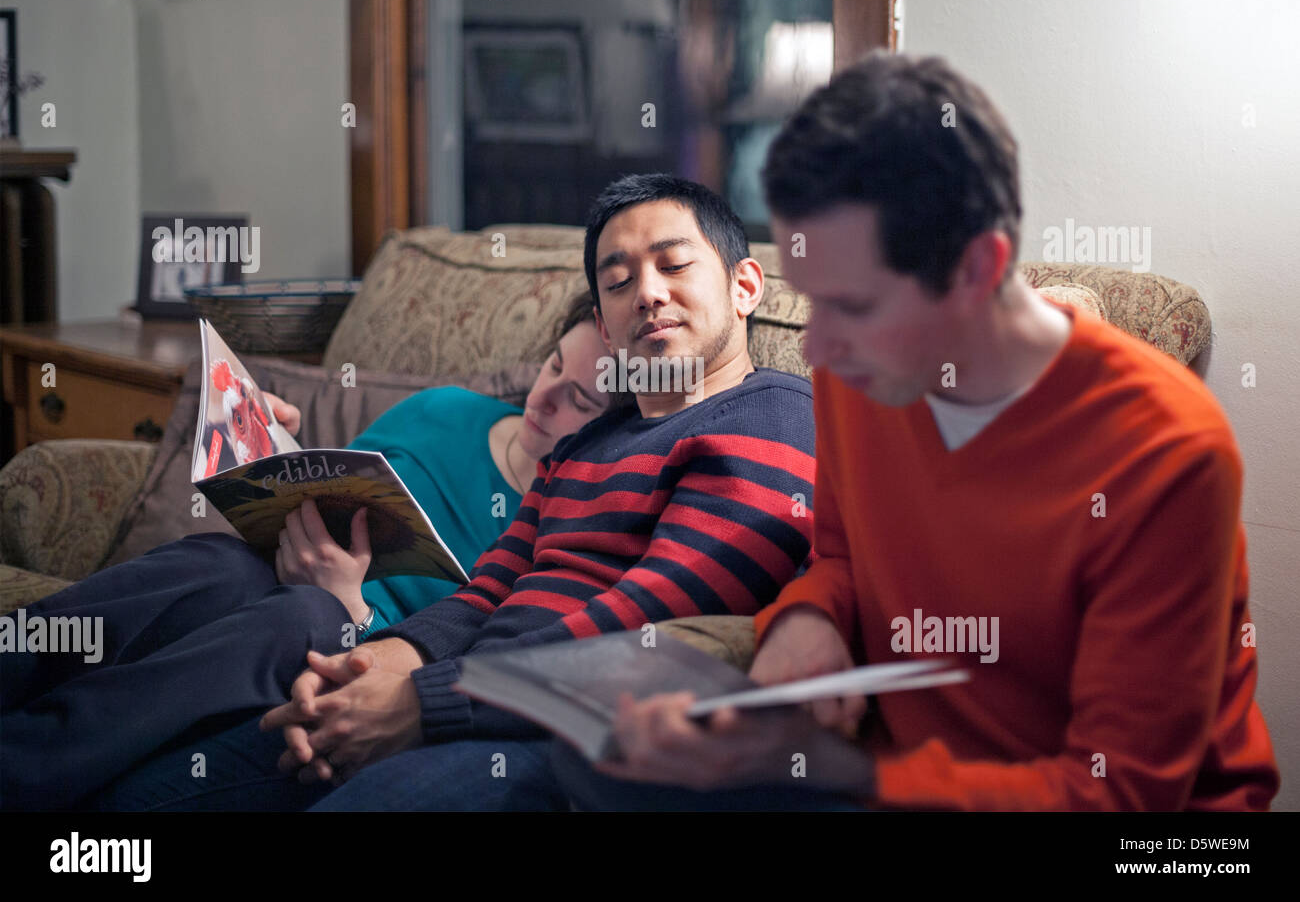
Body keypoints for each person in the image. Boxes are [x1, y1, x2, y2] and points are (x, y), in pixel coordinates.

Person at [554, 52, 1281, 811]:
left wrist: (852, 780)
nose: (817, 347)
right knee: (601, 762)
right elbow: (839, 555)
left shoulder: (1167, 451)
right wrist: (807, 618)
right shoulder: (857, 374)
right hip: (898, 766)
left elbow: (1119, 791)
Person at [90, 173, 818, 811]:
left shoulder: (771, 414)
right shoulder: (583, 447)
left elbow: (653, 617)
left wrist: (420, 704)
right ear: (602, 320)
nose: (648, 293)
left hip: (545, 734)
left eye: (674, 264)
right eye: (619, 280)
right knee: (144, 797)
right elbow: (485, 590)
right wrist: (375, 667)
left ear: (745, 286)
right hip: (447, 695)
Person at [0, 292, 617, 809]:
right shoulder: (444, 409)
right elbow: (334, 484)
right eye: (554, 367)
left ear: (613, 427)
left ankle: (21, 766)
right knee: (219, 560)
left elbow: (451, 652)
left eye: (579, 401)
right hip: (262, 577)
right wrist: (274, 449)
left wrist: (349, 605)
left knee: (306, 616)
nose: (544, 398)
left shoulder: (562, 524)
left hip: (348, 644)